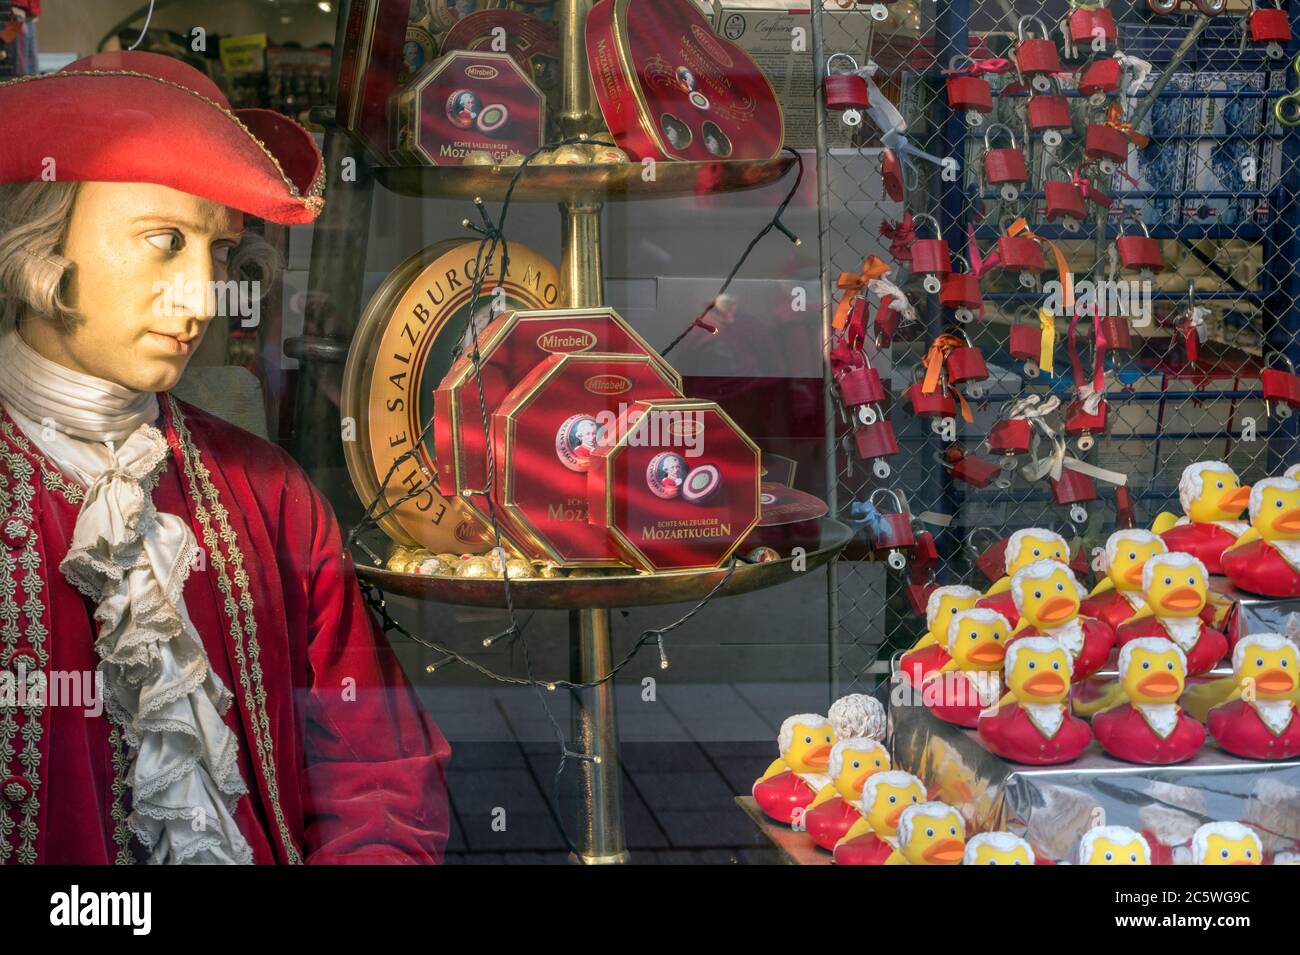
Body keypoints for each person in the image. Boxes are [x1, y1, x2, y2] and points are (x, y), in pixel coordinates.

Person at [0, 51, 451, 864]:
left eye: (216, 255)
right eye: (164, 241)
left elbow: (378, 773)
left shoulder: (269, 491)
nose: (203, 299)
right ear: (44, 240)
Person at [11, 0, 36, 74]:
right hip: (17, 8)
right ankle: (21, 78)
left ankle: (33, 77)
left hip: (30, 11)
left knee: (32, 50)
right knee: (21, 50)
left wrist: (34, 10)